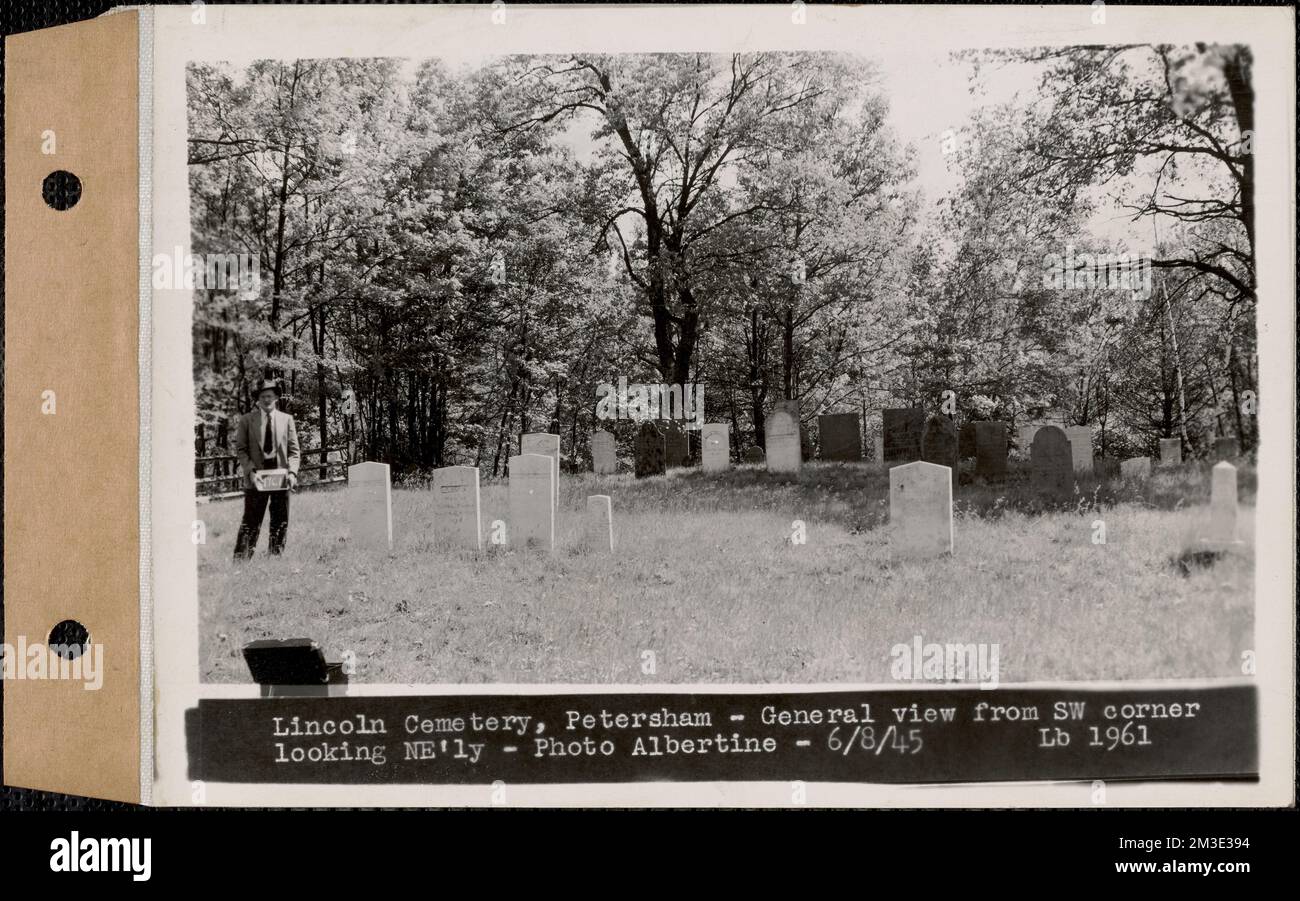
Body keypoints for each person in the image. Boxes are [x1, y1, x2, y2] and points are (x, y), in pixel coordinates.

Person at [232, 379, 300, 559]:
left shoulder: (287, 420)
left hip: (281, 478)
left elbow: (294, 451)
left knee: (280, 520)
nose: (266, 399)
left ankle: (275, 557)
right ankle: (241, 561)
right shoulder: (247, 420)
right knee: (251, 521)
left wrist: (292, 473)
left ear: (276, 397)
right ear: (257, 399)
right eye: (262, 396)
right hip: (256, 478)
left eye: (269, 396)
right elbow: (241, 449)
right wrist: (250, 471)